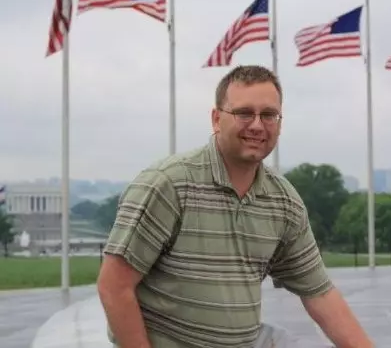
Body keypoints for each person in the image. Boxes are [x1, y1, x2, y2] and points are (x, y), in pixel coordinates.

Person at [97, 65, 373, 348]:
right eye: (244, 113)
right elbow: (113, 286)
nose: (257, 125)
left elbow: (320, 293)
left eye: (268, 115)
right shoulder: (168, 185)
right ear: (216, 119)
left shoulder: (283, 201)